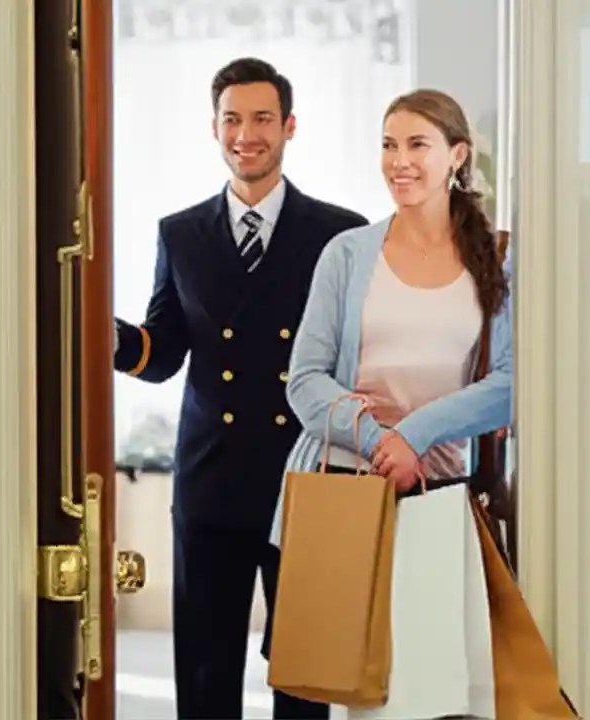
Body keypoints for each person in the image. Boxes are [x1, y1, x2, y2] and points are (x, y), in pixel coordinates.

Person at [112, 57, 367, 719]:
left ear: (288, 126)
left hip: (305, 479)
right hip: (210, 480)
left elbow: (357, 353)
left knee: (304, 676)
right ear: (214, 128)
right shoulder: (180, 232)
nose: (244, 134)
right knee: (205, 670)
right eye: (232, 119)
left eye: (260, 119)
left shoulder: (340, 232)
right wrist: (100, 334)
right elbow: (163, 351)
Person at [271, 88, 512, 719]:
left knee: (438, 694)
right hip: (351, 490)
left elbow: (512, 383)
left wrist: (418, 434)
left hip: (442, 495)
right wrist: (381, 441)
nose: (398, 161)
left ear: (457, 156)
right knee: (363, 696)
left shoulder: (497, 263)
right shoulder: (347, 255)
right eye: (387, 144)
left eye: (417, 145)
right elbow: (305, 380)